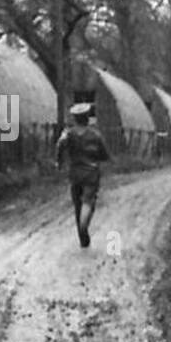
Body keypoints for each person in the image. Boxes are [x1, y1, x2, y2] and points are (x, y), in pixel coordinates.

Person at [55, 102, 111, 248]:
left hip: (75, 173)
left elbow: (59, 145)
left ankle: (83, 238)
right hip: (91, 174)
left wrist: (59, 162)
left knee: (77, 204)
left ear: (75, 118)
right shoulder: (95, 135)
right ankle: (84, 224)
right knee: (88, 201)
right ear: (87, 118)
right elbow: (105, 155)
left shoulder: (69, 133)